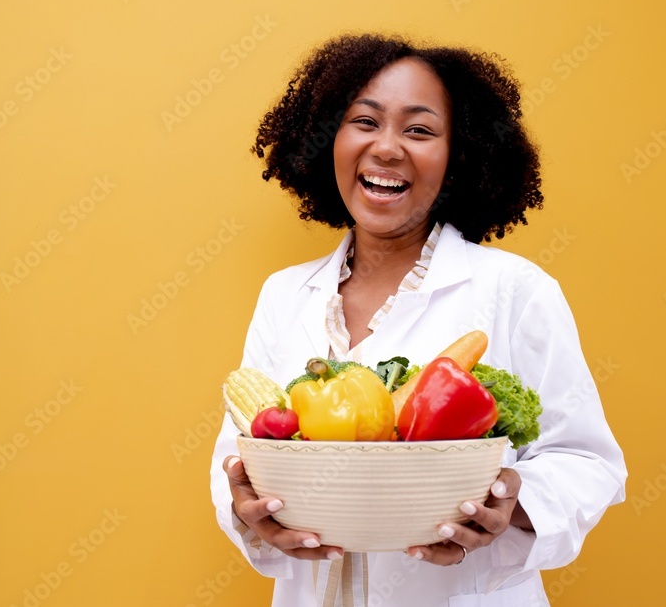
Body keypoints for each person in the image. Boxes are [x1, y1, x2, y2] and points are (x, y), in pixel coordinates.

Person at [209, 33, 626, 607]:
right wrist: (249, 513)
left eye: (419, 130)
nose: (386, 148)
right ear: (328, 139)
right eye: (365, 122)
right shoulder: (284, 295)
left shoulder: (515, 290)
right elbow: (235, 453)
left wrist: (511, 503)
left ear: (459, 157)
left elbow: (588, 461)